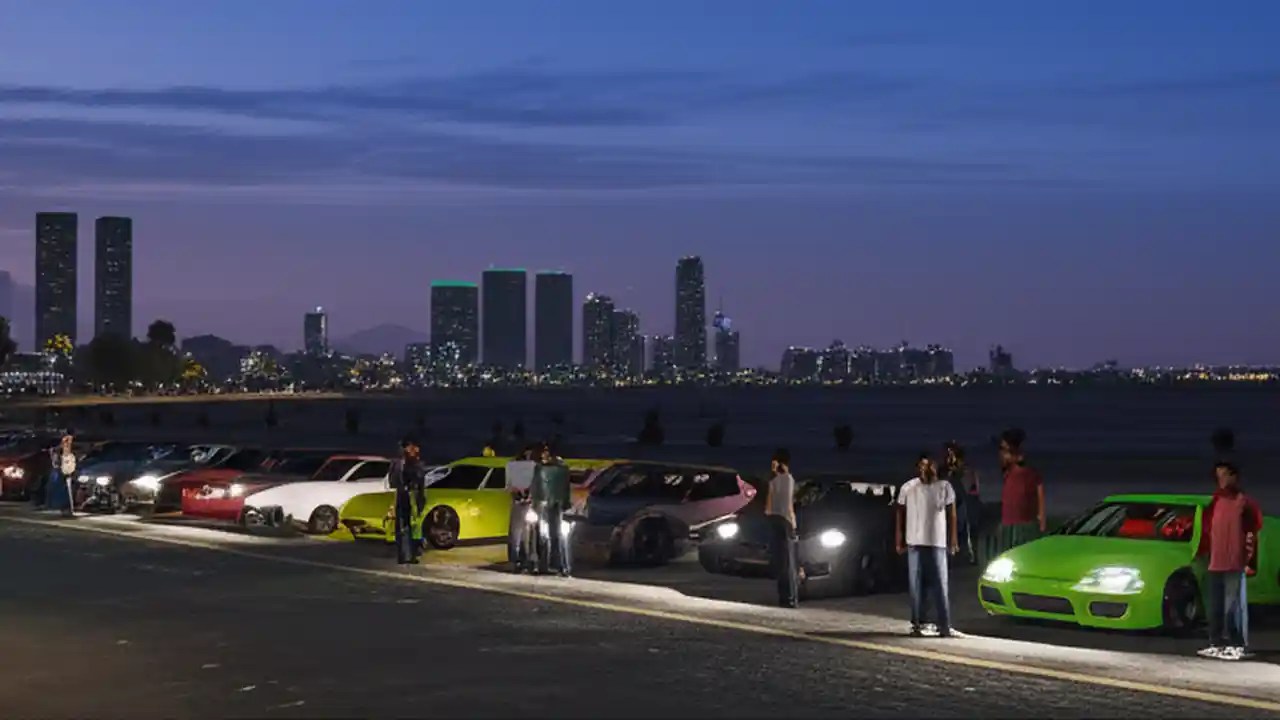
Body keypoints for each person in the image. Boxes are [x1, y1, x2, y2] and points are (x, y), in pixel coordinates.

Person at [1196, 462, 1262, 661]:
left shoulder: (1244, 502)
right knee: (1215, 605)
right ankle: (1216, 642)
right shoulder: (1215, 502)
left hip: (1234, 561)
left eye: (1225, 475)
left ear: (1235, 477)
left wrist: (1250, 561)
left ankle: (1238, 644)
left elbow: (1253, 531)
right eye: (1219, 476)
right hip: (1216, 561)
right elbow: (1207, 530)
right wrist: (1203, 553)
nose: (1222, 480)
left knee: (1234, 605)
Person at [896, 452, 959, 637]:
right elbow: (900, 513)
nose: (926, 470)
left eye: (930, 466)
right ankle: (918, 624)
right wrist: (898, 540)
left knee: (940, 584)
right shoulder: (908, 487)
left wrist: (953, 539)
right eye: (923, 466)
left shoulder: (944, 486)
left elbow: (952, 513)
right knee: (916, 585)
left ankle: (944, 625)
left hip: (937, 542)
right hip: (914, 542)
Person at [984, 427, 1045, 566]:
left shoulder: (1029, 475)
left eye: (1004, 450)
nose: (1000, 455)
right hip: (1009, 527)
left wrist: (1041, 525)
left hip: (1024, 529)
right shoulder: (1009, 474)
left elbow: (1040, 502)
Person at [764, 448, 798, 608]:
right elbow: (789, 506)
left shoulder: (772, 481)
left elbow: (768, 506)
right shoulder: (789, 479)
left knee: (780, 562)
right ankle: (791, 599)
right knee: (789, 562)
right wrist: (794, 525)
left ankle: (783, 598)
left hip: (773, 520)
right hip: (785, 521)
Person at [531, 445, 572, 576]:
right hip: (556, 505)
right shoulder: (563, 469)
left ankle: (542, 565)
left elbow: (536, 488)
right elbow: (566, 489)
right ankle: (560, 565)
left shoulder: (539, 469)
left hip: (544, 504)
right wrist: (565, 503)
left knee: (542, 536)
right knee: (556, 536)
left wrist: (535, 503)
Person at [389, 435, 427, 565]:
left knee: (413, 527)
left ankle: (411, 554)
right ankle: (403, 555)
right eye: (411, 447)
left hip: (413, 497)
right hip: (402, 497)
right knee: (402, 527)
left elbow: (420, 482)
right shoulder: (397, 463)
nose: (415, 449)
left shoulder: (417, 463)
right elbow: (392, 481)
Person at [942, 441, 982, 565]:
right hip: (957, 499)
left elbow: (972, 484)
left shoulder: (962, 468)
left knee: (965, 527)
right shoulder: (950, 469)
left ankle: (969, 554)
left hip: (963, 499)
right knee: (957, 527)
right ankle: (960, 554)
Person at [506, 446, 539, 573]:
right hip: (522, 503)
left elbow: (509, 485)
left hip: (526, 503)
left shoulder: (514, 465)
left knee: (524, 533)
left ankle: (523, 560)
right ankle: (520, 560)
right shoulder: (529, 466)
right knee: (521, 533)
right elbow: (510, 485)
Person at [46, 431, 78, 517]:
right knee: (60, 490)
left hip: (63, 471)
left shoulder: (66, 450)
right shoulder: (59, 449)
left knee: (65, 491)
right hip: (60, 470)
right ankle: (62, 508)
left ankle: (66, 508)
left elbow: (68, 460)